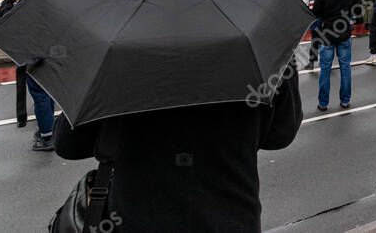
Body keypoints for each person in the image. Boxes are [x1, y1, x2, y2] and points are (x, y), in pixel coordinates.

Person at [54, 60, 302, 232]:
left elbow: (69, 144)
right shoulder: (258, 40)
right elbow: (280, 135)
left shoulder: (115, 49)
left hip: (137, 218)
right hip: (231, 217)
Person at [312, 0, 359, 111]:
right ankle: (345, 100)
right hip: (344, 33)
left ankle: (323, 103)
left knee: (325, 69)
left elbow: (316, 14)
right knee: (345, 68)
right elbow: (357, 12)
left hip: (327, 34)